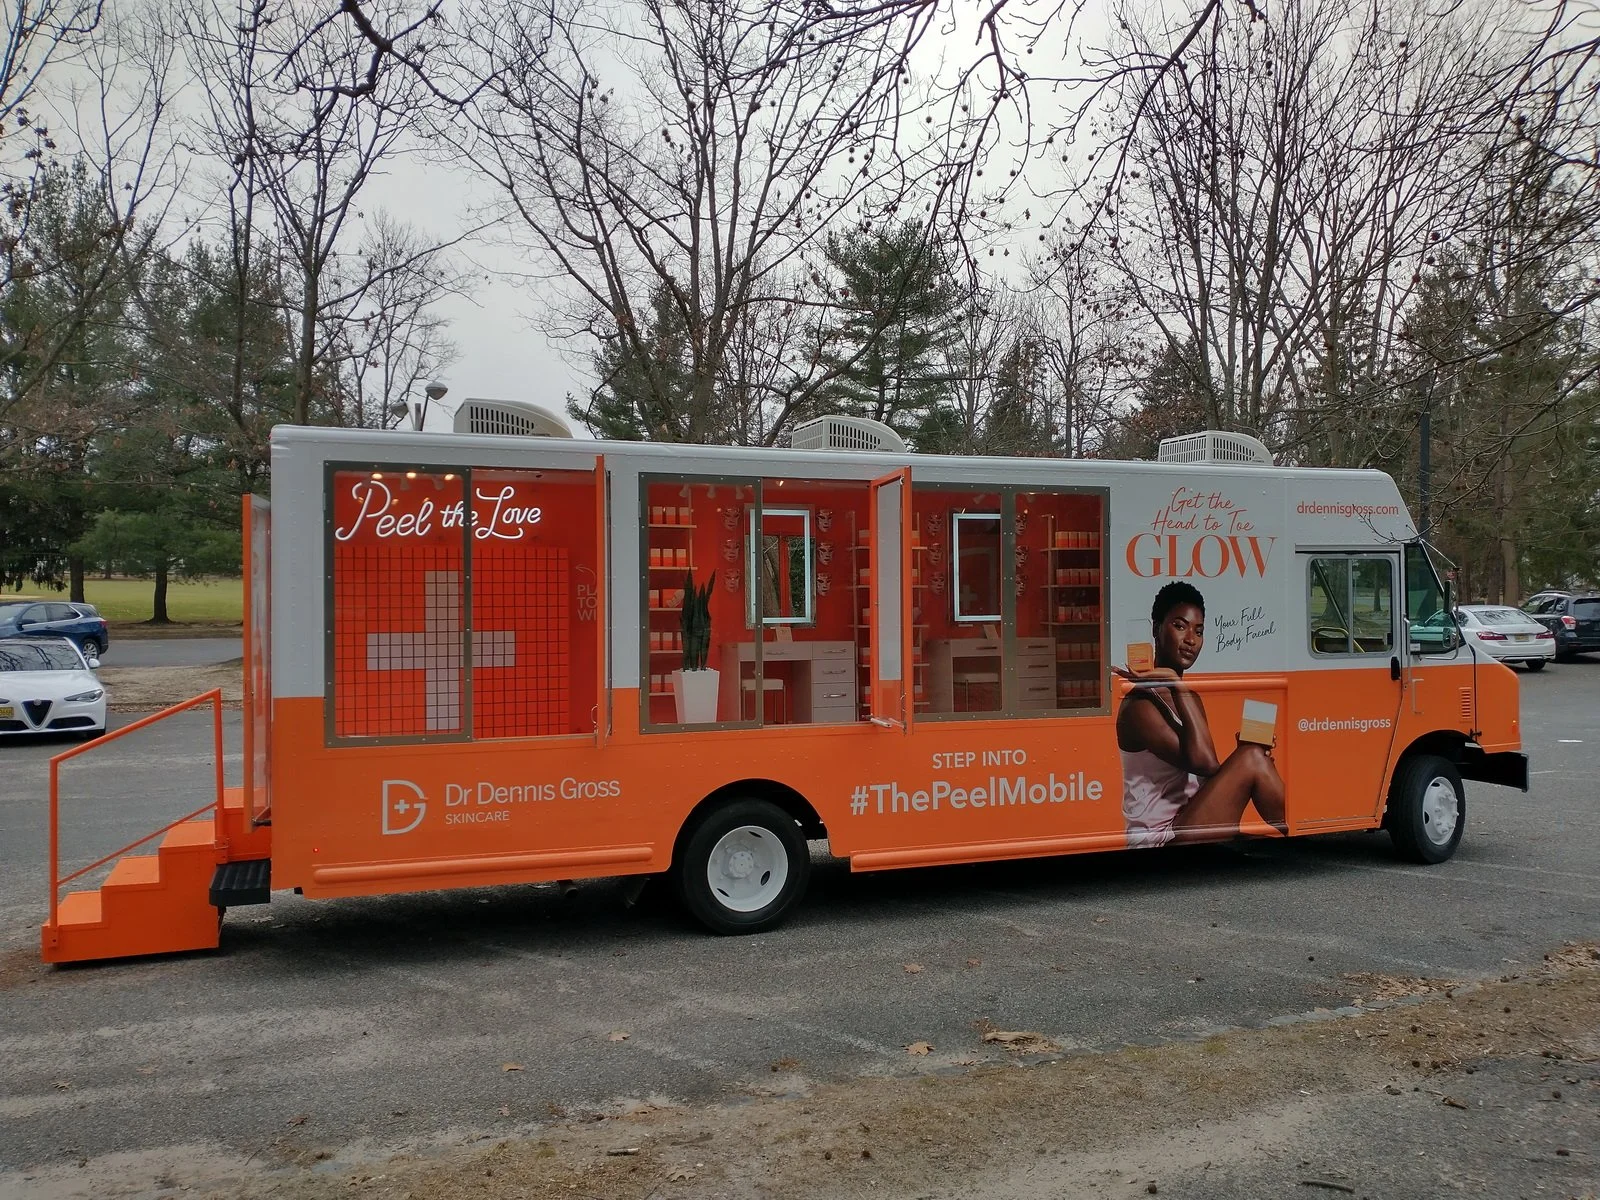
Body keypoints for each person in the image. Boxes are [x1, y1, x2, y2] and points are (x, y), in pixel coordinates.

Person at [1113, 581, 1287, 847]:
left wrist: (1241, 755)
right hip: (1160, 840)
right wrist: (1174, 681)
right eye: (1180, 626)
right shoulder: (1140, 707)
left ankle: (1300, 834)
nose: (1191, 640)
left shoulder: (1188, 698)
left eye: (1199, 630)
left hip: (1189, 820)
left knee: (1253, 753)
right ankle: (1302, 831)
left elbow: (1207, 772)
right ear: (1156, 629)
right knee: (1251, 758)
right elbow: (1205, 763)